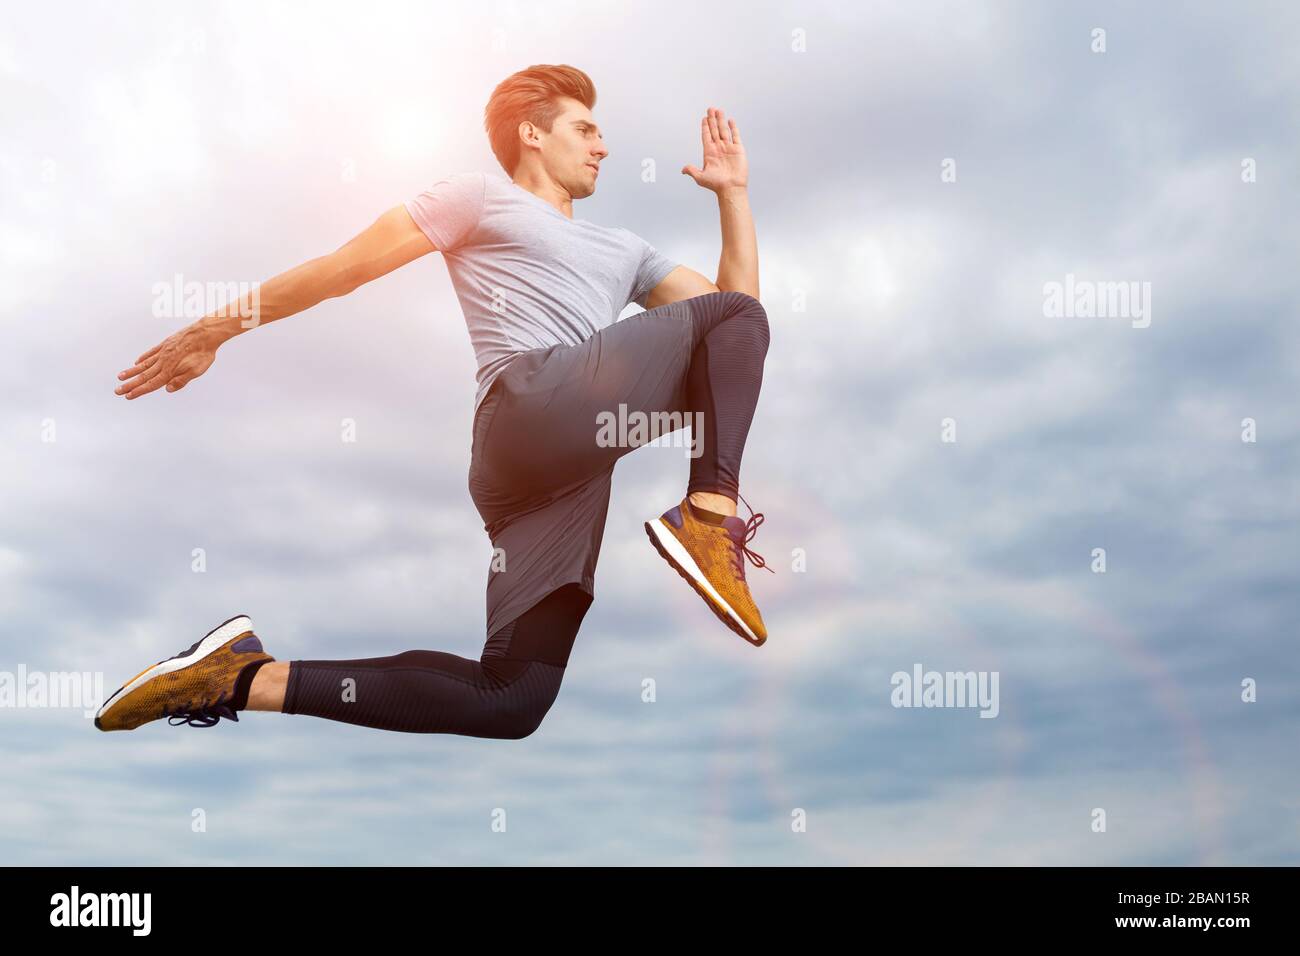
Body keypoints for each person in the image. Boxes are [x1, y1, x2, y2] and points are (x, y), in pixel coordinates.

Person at [96, 64, 772, 739]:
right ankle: (708, 522)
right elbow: (344, 268)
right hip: (528, 405)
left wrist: (733, 195)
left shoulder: (627, 250)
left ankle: (238, 676)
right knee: (734, 322)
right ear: (532, 133)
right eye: (586, 129)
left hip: (558, 477)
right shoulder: (476, 197)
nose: (603, 147)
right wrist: (215, 326)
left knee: (512, 698)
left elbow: (737, 321)